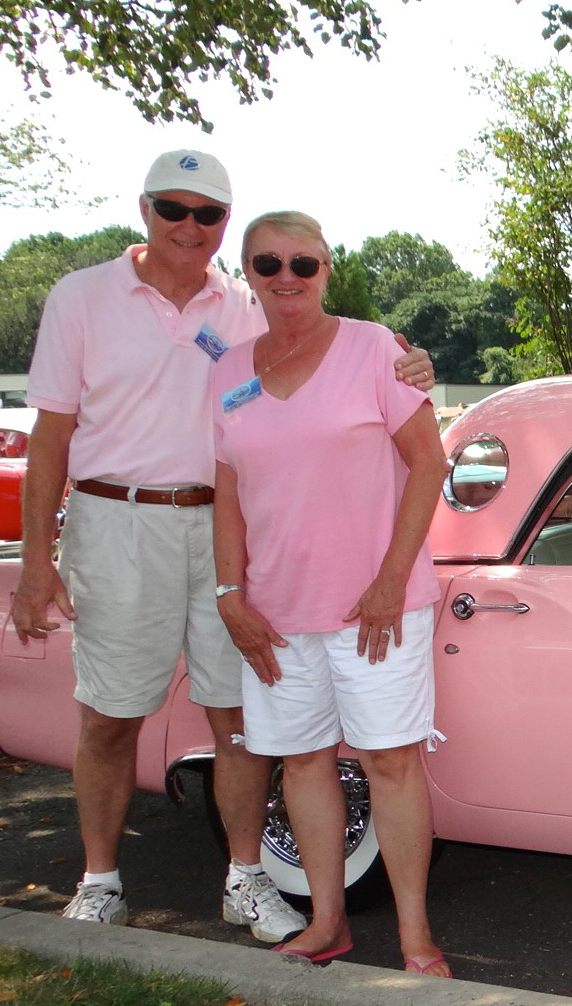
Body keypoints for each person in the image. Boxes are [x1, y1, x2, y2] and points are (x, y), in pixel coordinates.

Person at [9, 150, 433, 941]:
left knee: (238, 715)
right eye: (173, 208)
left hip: (225, 529)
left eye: (206, 213)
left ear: (224, 223)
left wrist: (410, 362)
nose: (189, 225)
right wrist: (37, 562)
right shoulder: (82, 296)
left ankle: (246, 877)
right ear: (144, 210)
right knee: (110, 715)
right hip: (117, 519)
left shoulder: (245, 302)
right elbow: (51, 435)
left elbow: (333, 355)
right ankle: (100, 881)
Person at [211, 211, 451, 976]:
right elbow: (227, 489)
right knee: (302, 763)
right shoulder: (227, 370)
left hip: (376, 609)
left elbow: (429, 464)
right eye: (267, 263)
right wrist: (229, 593)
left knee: (390, 762)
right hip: (274, 614)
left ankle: (415, 938)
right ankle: (326, 922)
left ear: (326, 270)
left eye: (302, 263)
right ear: (247, 273)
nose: (286, 277)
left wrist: (389, 581)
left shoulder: (376, 349)